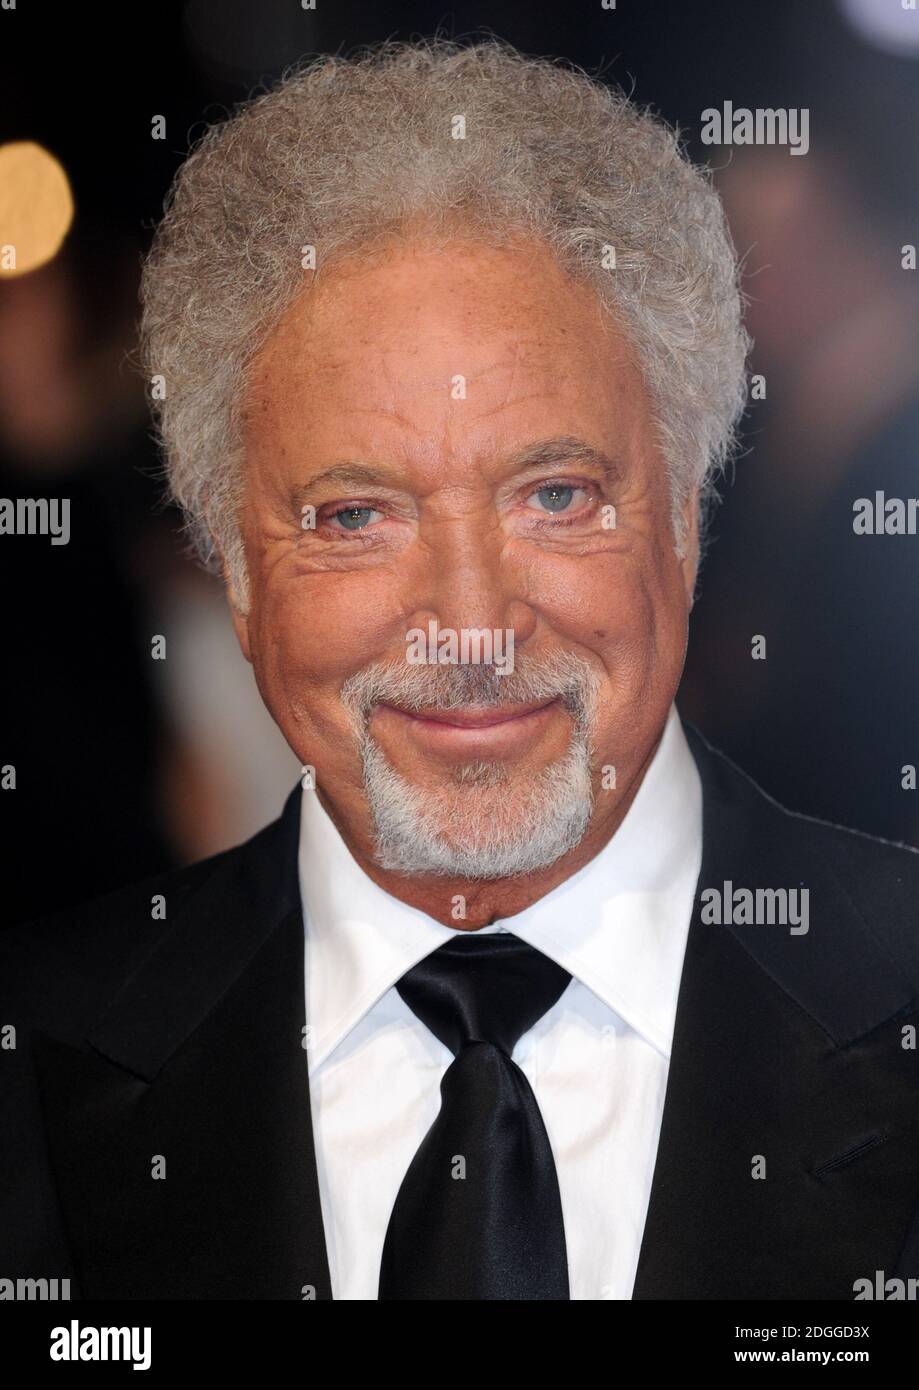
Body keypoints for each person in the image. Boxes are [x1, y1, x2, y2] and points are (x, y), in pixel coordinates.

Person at [3, 38, 919, 1302]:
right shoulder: (33, 1062)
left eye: (555, 495)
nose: (470, 625)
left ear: (686, 518)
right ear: (233, 569)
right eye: (355, 517)